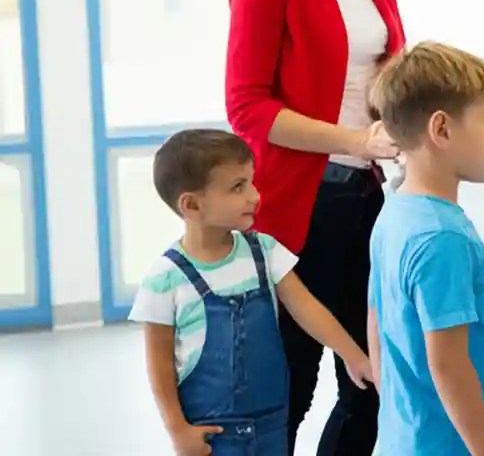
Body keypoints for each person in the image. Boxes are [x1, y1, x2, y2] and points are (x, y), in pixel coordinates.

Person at [224, 0, 406, 455]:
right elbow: (247, 106)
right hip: (301, 205)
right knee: (291, 391)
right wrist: (355, 138)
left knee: (373, 383)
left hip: (366, 196)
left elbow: (380, 70)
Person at [129, 129, 375, 456]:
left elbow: (307, 309)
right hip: (213, 436)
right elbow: (158, 364)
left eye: (251, 182)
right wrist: (178, 430)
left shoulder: (265, 251)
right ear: (191, 204)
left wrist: (353, 356)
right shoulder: (165, 279)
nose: (255, 196)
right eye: (238, 187)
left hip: (273, 426)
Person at [365, 41, 484, 456]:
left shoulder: (395, 212)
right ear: (442, 130)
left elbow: (375, 326)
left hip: (405, 438)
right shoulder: (442, 239)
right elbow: (449, 366)